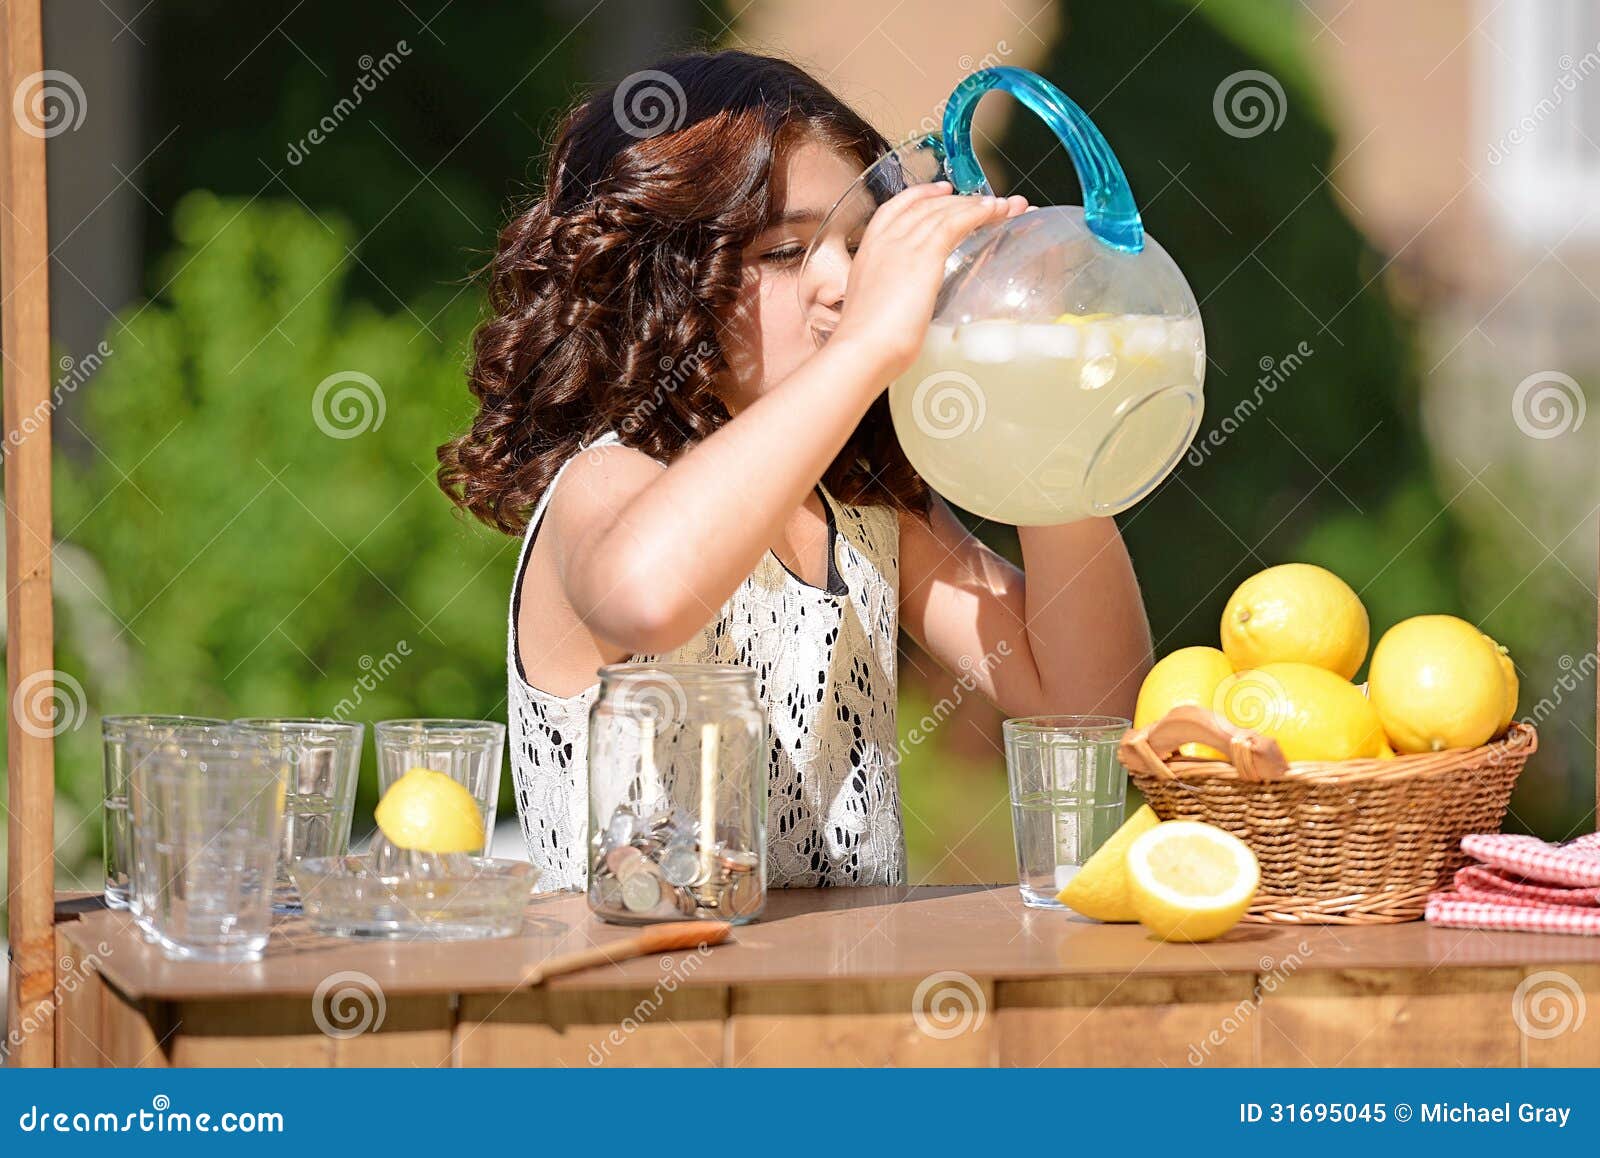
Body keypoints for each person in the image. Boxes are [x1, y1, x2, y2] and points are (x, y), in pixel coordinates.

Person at [437, 49, 1152, 891]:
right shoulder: (606, 484)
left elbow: (1094, 712)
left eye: (859, 245)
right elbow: (646, 597)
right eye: (784, 253)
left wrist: (1039, 412)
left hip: (841, 1018)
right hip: (637, 1010)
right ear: (658, 278)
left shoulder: (867, 511)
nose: (846, 284)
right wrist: (867, 348)